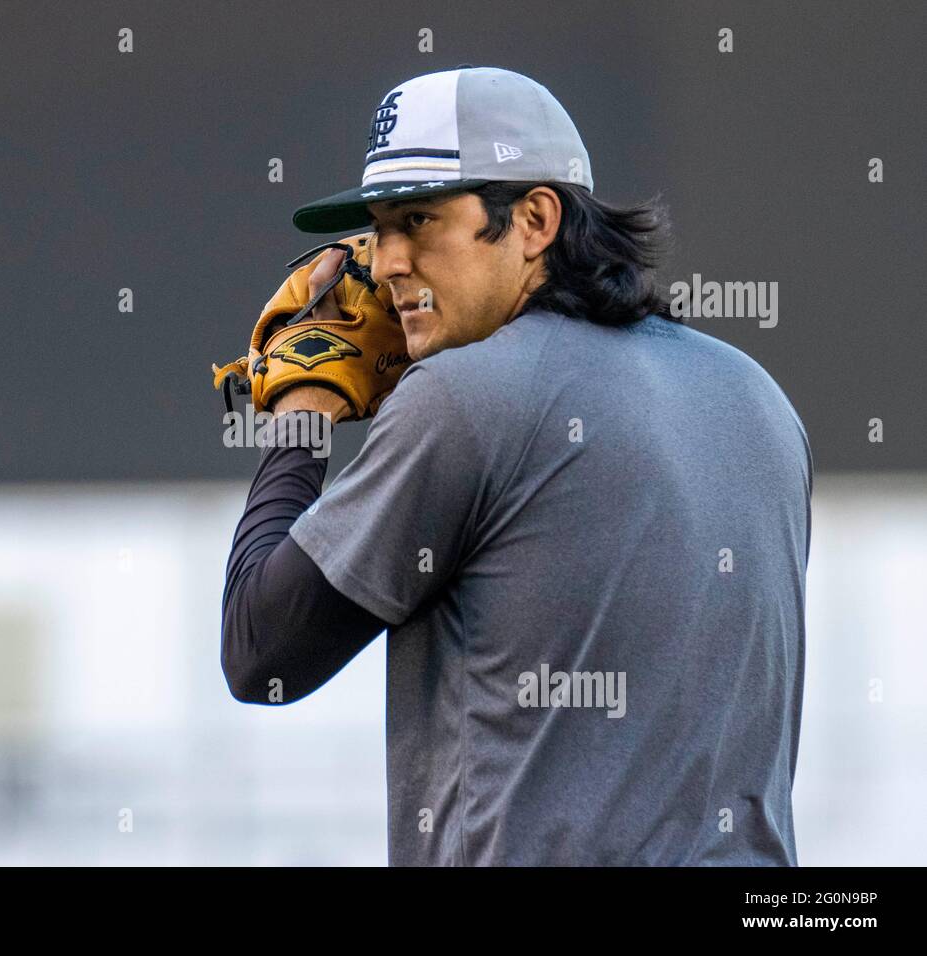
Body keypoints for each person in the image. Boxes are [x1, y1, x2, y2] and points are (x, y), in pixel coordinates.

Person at [220, 66, 811, 865]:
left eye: (420, 218)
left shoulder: (464, 397)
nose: (386, 261)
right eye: (377, 226)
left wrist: (303, 415)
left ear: (534, 220)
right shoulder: (757, 398)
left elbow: (262, 653)